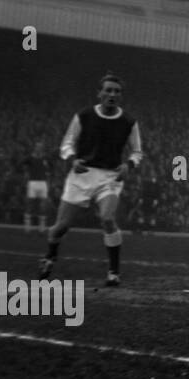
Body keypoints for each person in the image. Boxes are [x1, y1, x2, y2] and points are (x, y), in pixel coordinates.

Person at [39, 72, 144, 286]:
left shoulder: (129, 122)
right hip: (82, 175)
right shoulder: (84, 116)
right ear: (99, 93)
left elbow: (137, 152)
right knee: (61, 227)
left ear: (121, 96)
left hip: (110, 177)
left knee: (107, 218)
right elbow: (67, 144)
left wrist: (129, 164)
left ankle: (113, 273)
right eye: (108, 90)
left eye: (117, 91)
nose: (112, 94)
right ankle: (50, 257)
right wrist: (72, 159)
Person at [22, 141, 53, 234]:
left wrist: (48, 179)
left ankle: (41, 228)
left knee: (43, 206)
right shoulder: (30, 158)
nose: (39, 148)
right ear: (35, 147)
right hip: (32, 182)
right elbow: (22, 164)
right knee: (30, 204)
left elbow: (51, 168)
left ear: (42, 148)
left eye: (40, 146)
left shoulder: (46, 158)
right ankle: (27, 227)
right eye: (37, 146)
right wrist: (26, 174)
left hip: (43, 183)